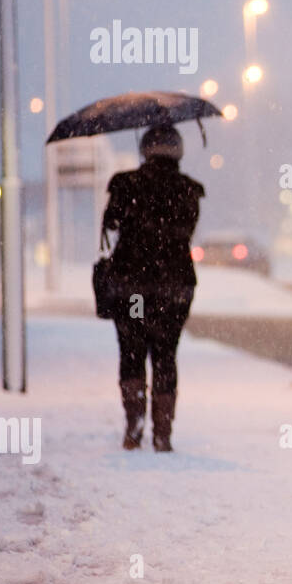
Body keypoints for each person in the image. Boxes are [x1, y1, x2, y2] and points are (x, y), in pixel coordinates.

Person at [102, 123, 204, 452]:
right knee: (165, 354)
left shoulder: (125, 184)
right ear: (178, 150)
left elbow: (111, 224)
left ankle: (134, 426)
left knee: (131, 352)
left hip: (132, 287)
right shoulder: (188, 190)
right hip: (173, 289)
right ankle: (163, 432)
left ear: (144, 149)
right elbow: (185, 230)